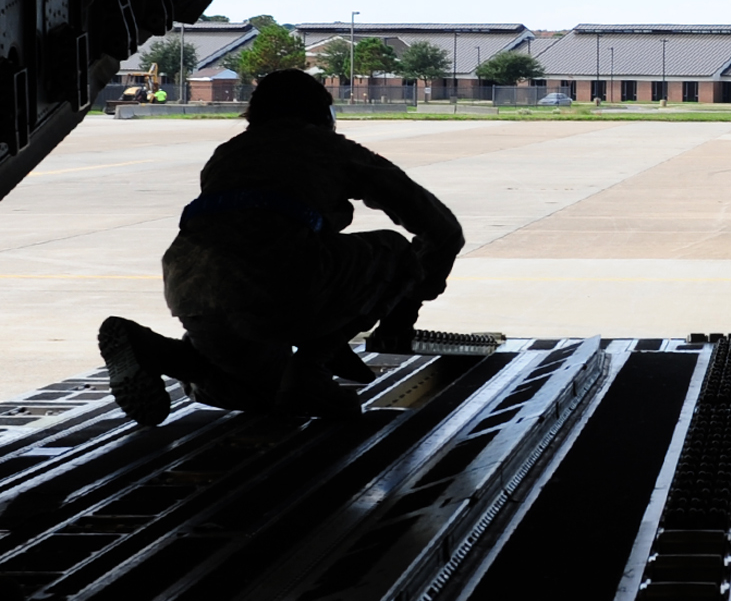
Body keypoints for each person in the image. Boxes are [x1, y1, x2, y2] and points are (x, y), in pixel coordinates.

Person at [97, 70, 466, 424]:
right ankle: (312, 368)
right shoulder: (330, 148)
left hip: (190, 290)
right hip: (278, 282)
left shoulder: (227, 154)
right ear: (323, 113)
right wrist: (405, 307)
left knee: (261, 395)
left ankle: (163, 353)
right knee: (396, 250)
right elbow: (443, 230)